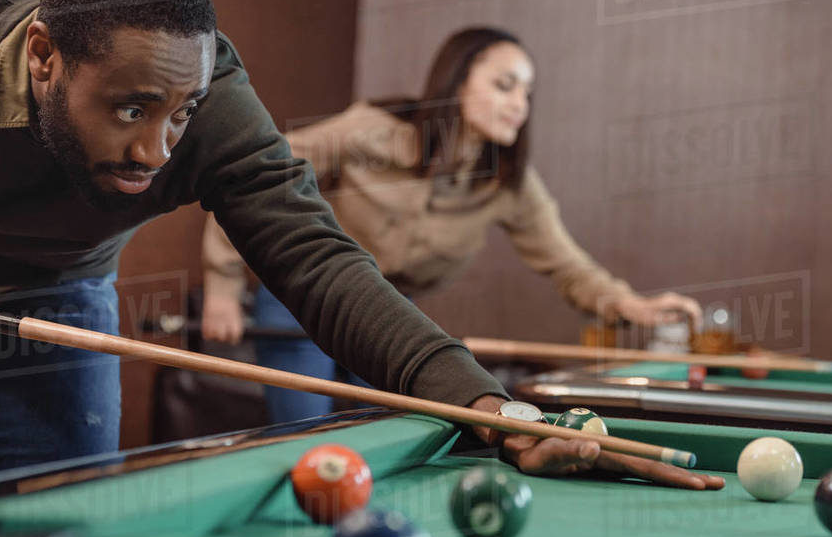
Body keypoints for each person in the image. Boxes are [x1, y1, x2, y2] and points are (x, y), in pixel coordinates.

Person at [0, 0, 720, 514]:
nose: (157, 150)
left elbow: (321, 263)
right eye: (130, 108)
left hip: (54, 279)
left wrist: (493, 409)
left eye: (178, 116)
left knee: (68, 528)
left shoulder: (215, 108)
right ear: (42, 56)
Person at [202, 27, 702, 422]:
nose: (519, 105)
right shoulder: (371, 132)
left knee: (384, 426)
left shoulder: (507, 184)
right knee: (306, 435)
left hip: (385, 311)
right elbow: (256, 177)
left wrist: (631, 305)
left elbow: (569, 265)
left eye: (527, 93)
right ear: (458, 80)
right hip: (300, 298)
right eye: (504, 85)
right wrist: (222, 288)